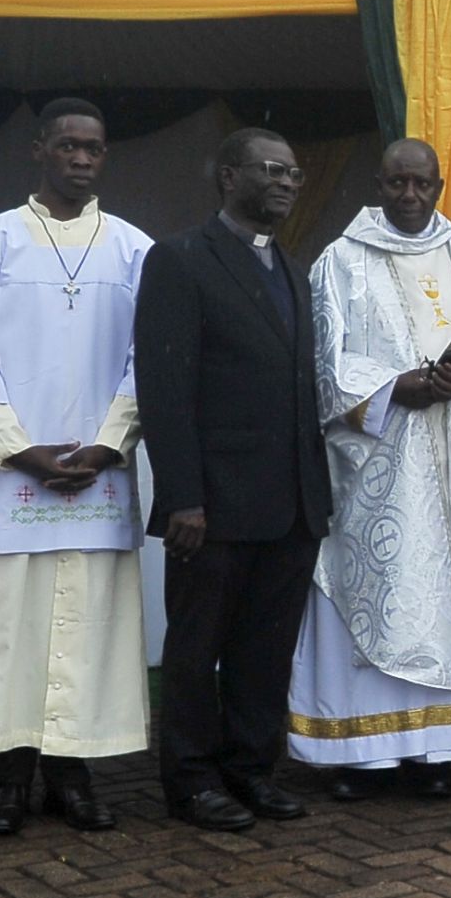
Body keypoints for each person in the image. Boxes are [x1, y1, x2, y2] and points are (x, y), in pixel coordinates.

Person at [0, 99, 152, 835]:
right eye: (67, 145)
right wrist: (19, 448)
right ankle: (7, 775)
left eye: (93, 147)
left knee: (89, 622)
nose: (81, 158)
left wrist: (107, 442)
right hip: (15, 472)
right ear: (39, 150)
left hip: (101, 470)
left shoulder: (133, 249)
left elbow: (146, 361)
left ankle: (73, 770)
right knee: (10, 623)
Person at [291, 139, 451, 800]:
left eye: (421, 184)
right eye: (396, 183)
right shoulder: (341, 261)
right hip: (377, 463)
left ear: (440, 187)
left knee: (448, 602)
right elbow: (326, 363)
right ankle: (361, 751)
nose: (409, 195)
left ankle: (436, 749)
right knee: (374, 596)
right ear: (378, 184)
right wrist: (394, 387)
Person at [134, 128, 333, 832]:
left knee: (264, 650)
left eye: (294, 172)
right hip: (211, 504)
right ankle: (190, 780)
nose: (284, 181)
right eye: (269, 169)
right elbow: (164, 387)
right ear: (228, 176)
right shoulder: (181, 259)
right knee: (196, 650)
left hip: (291, 505)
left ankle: (251, 770)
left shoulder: (293, 268)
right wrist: (182, 494)